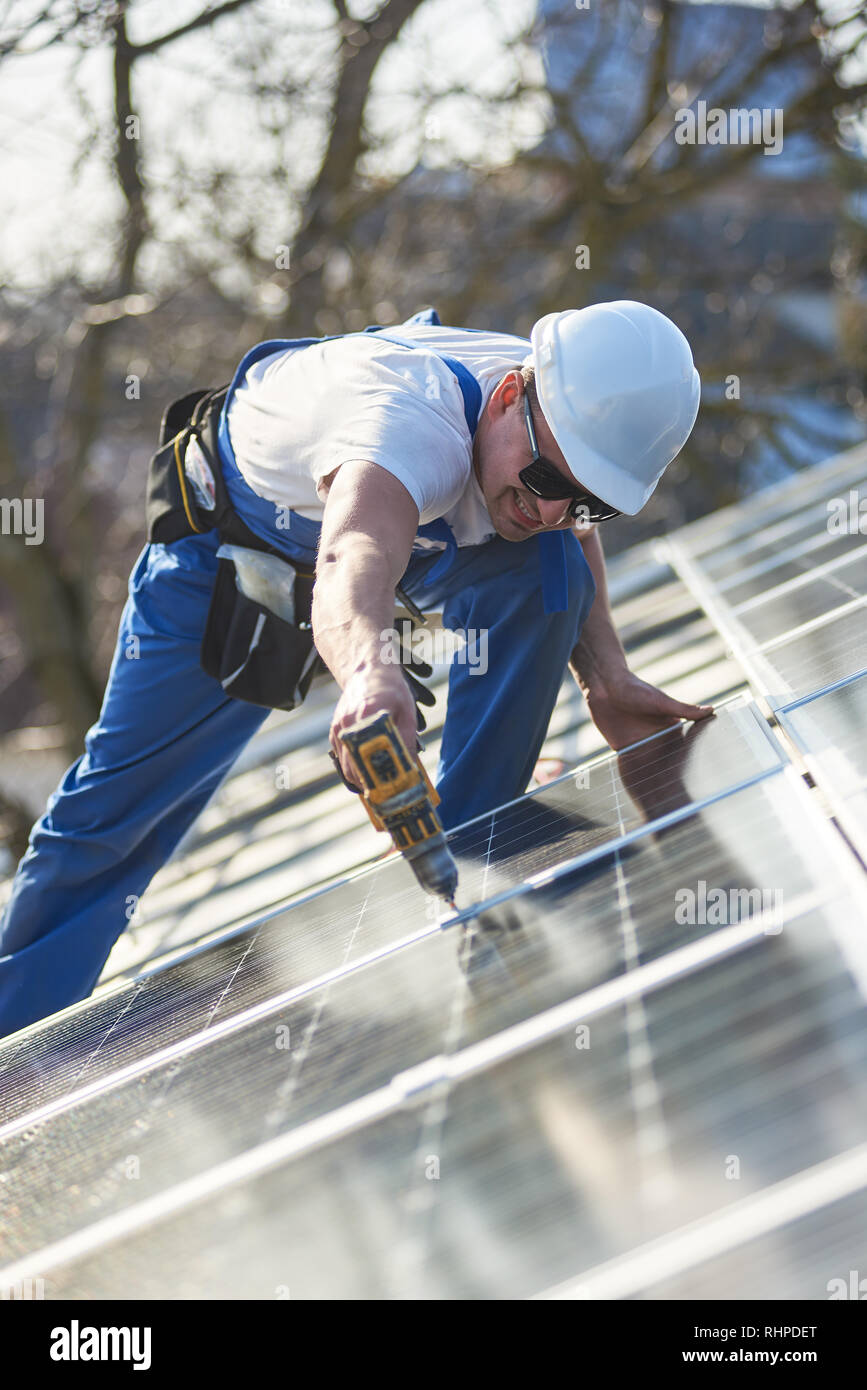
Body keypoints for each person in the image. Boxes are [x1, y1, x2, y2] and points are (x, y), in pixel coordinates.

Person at [0, 300, 712, 1039]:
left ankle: (468, 856)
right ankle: (15, 1033)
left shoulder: (554, 418)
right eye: (541, 477)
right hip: (232, 549)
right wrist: (372, 674)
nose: (550, 507)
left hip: (386, 539)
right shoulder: (406, 424)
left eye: (587, 502)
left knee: (546, 569)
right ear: (507, 396)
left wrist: (607, 677)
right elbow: (351, 561)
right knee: (114, 818)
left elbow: (562, 536)